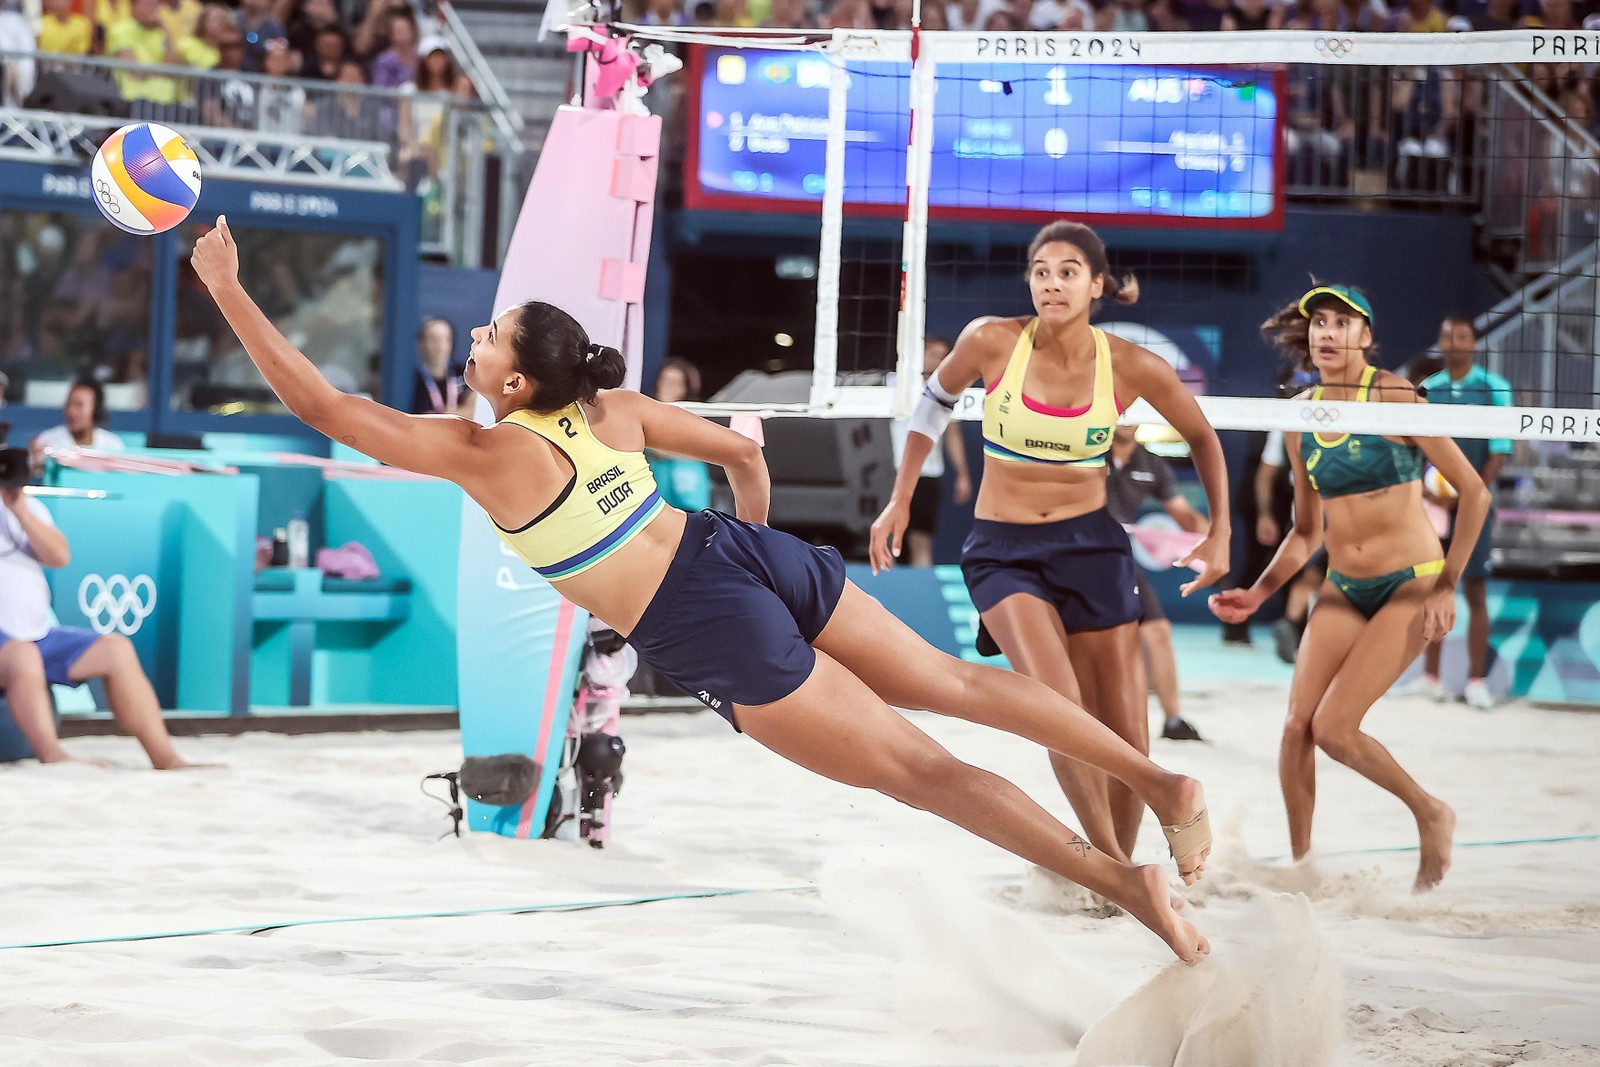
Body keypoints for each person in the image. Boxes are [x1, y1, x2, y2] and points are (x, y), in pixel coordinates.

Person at [191, 216, 1213, 963]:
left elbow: (319, 402)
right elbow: (740, 454)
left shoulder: (487, 450)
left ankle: (1128, 883)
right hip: (738, 552)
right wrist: (758, 560)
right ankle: (1164, 783)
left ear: (513, 384)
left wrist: (228, 286)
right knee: (960, 683)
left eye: (489, 335)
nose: (474, 339)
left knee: (922, 771)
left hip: (701, 612)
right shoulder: (616, 407)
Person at [870, 219, 1231, 870]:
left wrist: (1221, 531)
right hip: (1003, 549)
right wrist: (899, 497)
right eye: (1041, 270)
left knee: (1124, 721)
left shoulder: (1130, 364)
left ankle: (1130, 853)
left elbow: (1204, 438)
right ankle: (1113, 866)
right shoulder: (992, 340)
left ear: (1096, 284)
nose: (1052, 282)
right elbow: (931, 406)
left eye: (1067, 271)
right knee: (1057, 706)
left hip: (1090, 544)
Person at [1209, 284, 1488, 892]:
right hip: (1343, 584)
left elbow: (1475, 491)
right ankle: (1304, 864)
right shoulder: (1299, 414)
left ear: (1366, 336)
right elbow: (1306, 532)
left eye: (1342, 323)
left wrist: (1446, 586)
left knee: (1335, 729)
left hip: (1411, 582)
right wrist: (1257, 595)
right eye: (1319, 324)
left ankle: (1430, 811)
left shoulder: (1393, 395)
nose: (1327, 333)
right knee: (1294, 728)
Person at [0, 481, 202, 769]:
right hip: (11, 647)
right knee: (22, 654)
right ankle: (53, 755)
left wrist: (20, 512)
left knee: (116, 649)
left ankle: (166, 758)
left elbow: (59, 556)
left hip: (36, 634)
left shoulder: (27, 506)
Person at [1417, 316, 1513, 710]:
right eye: (1446, 336)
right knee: (1431, 587)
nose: (1453, 342)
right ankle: (1430, 678)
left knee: (1474, 591)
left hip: (1473, 505)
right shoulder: (1428, 390)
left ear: (1474, 343)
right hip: (1435, 505)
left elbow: (1501, 450)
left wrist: (1471, 495)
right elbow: (1418, 450)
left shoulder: (1495, 388)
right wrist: (1432, 491)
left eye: (1461, 336)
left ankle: (1476, 681)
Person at [1105, 425, 1207, 742]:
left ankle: (1173, 720)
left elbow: (1183, 513)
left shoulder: (1151, 464)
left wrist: (1214, 540)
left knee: (1157, 631)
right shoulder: (1085, 448)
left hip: (1119, 560)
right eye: (1121, 411)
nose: (1126, 420)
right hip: (1073, 556)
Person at [888, 336, 973, 568]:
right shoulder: (894, 383)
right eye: (933, 353)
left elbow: (953, 435)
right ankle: (888, 598)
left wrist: (963, 474)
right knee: (892, 540)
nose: (937, 360)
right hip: (891, 473)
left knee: (920, 539)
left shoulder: (946, 390)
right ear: (919, 353)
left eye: (942, 356)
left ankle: (921, 598)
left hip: (926, 475)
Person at [647, 358, 713, 512]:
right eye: (665, 380)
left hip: (686, 489)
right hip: (655, 485)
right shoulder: (646, 411)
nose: (667, 387)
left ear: (684, 388)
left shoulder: (694, 417)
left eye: (675, 382)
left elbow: (702, 451)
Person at [29, 378, 125, 471]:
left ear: (95, 409)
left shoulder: (113, 445)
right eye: (69, 404)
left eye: (79, 405)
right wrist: (37, 466)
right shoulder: (47, 443)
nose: (72, 412)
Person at [409, 317, 465, 415]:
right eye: (433, 338)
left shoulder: (465, 373)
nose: (439, 344)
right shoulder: (410, 380)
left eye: (445, 338)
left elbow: (475, 410)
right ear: (421, 344)